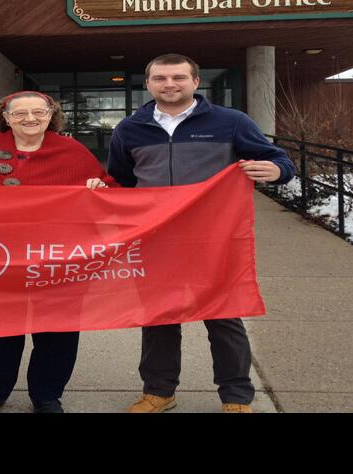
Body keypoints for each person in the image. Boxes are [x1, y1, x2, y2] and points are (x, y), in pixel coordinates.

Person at [108, 53, 294, 414]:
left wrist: (276, 169)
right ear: (148, 84)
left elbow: (280, 160)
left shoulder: (231, 122)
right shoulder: (129, 129)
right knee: (159, 319)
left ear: (195, 81)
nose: (169, 84)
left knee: (224, 318)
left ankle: (236, 398)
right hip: (156, 238)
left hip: (215, 239)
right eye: (160, 78)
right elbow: (122, 181)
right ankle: (159, 391)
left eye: (178, 77)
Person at [0, 91, 117, 413]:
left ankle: (46, 394)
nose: (30, 119)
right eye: (19, 113)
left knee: (57, 333)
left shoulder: (74, 153)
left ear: (51, 115)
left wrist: (100, 188)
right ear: (5, 117)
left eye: (38, 112)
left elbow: (109, 191)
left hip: (57, 260)